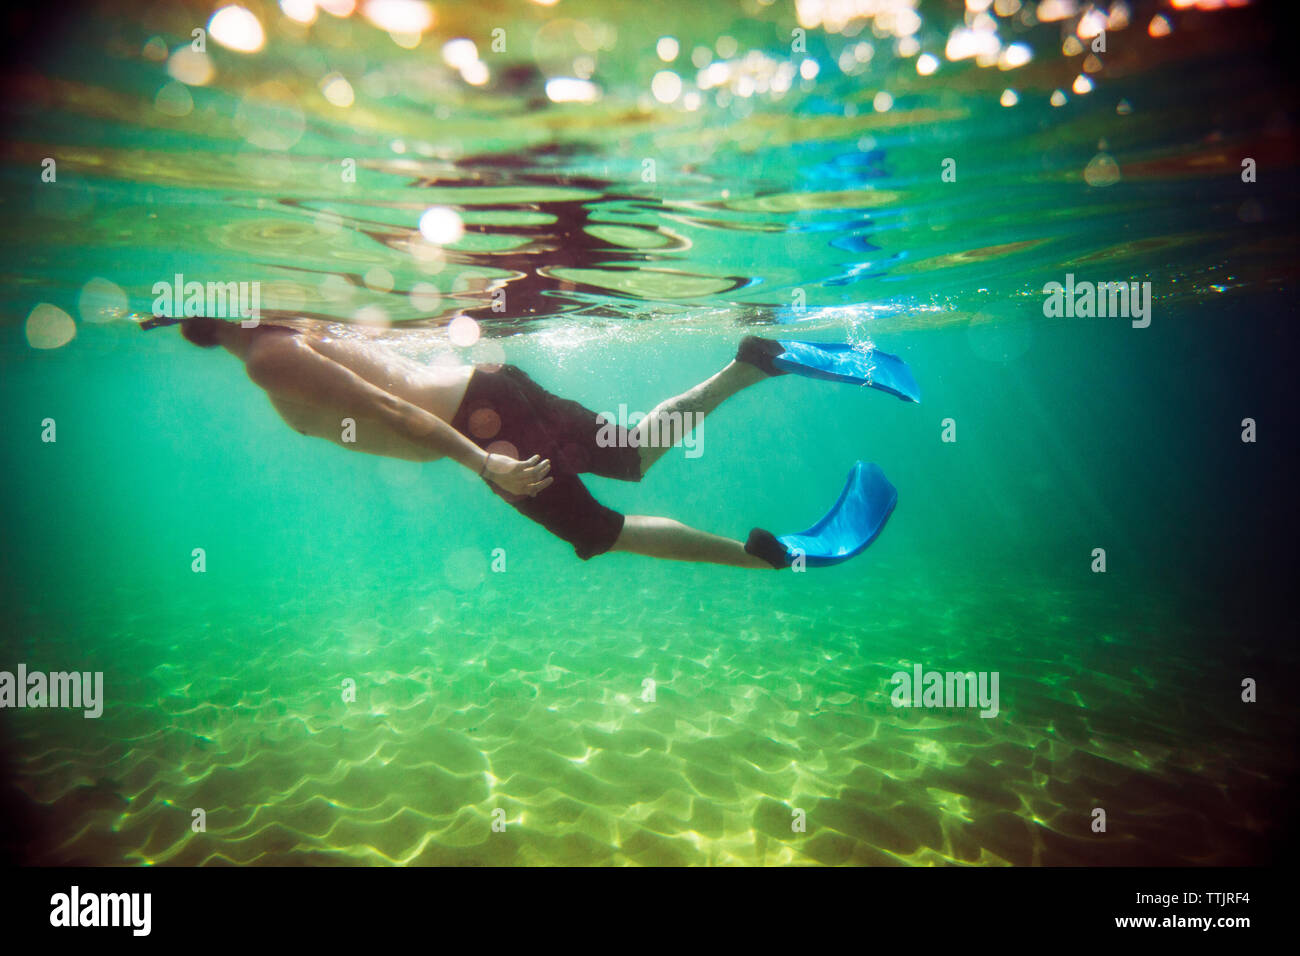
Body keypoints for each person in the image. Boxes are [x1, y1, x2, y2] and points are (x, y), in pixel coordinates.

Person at [169, 317, 792, 568]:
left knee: (599, 531)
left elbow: (387, 405)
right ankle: (749, 365)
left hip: (483, 425)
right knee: (629, 453)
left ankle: (755, 557)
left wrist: (481, 460)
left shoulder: (269, 355)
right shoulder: (291, 325)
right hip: (488, 391)